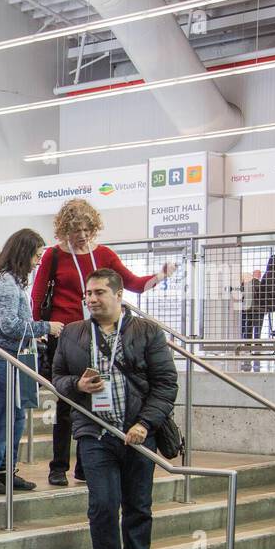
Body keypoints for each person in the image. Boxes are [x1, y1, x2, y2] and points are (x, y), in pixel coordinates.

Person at [52, 269, 179, 549]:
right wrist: (75, 385)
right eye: (88, 294)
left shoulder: (146, 332)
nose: (92, 299)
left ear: (119, 295)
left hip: (138, 434)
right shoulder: (74, 334)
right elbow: (58, 378)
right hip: (95, 434)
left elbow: (166, 384)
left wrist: (145, 424)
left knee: (138, 505)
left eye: (99, 293)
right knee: (104, 506)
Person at [31, 198, 175, 486]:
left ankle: (86, 465)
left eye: (86, 229)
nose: (81, 235)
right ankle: (58, 465)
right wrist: (40, 330)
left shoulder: (105, 255)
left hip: (102, 334)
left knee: (98, 398)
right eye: (75, 230)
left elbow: (132, 284)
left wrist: (160, 276)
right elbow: (37, 296)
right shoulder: (53, 256)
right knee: (65, 403)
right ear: (64, 230)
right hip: (67, 335)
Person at [0, 228, 62, 494]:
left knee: (15, 415)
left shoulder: (8, 280)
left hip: (8, 358)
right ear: (24, 254)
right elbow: (9, 326)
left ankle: (4, 470)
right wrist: (45, 327)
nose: (37, 262)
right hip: (0, 359)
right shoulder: (8, 284)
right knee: (3, 416)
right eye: (36, 256)